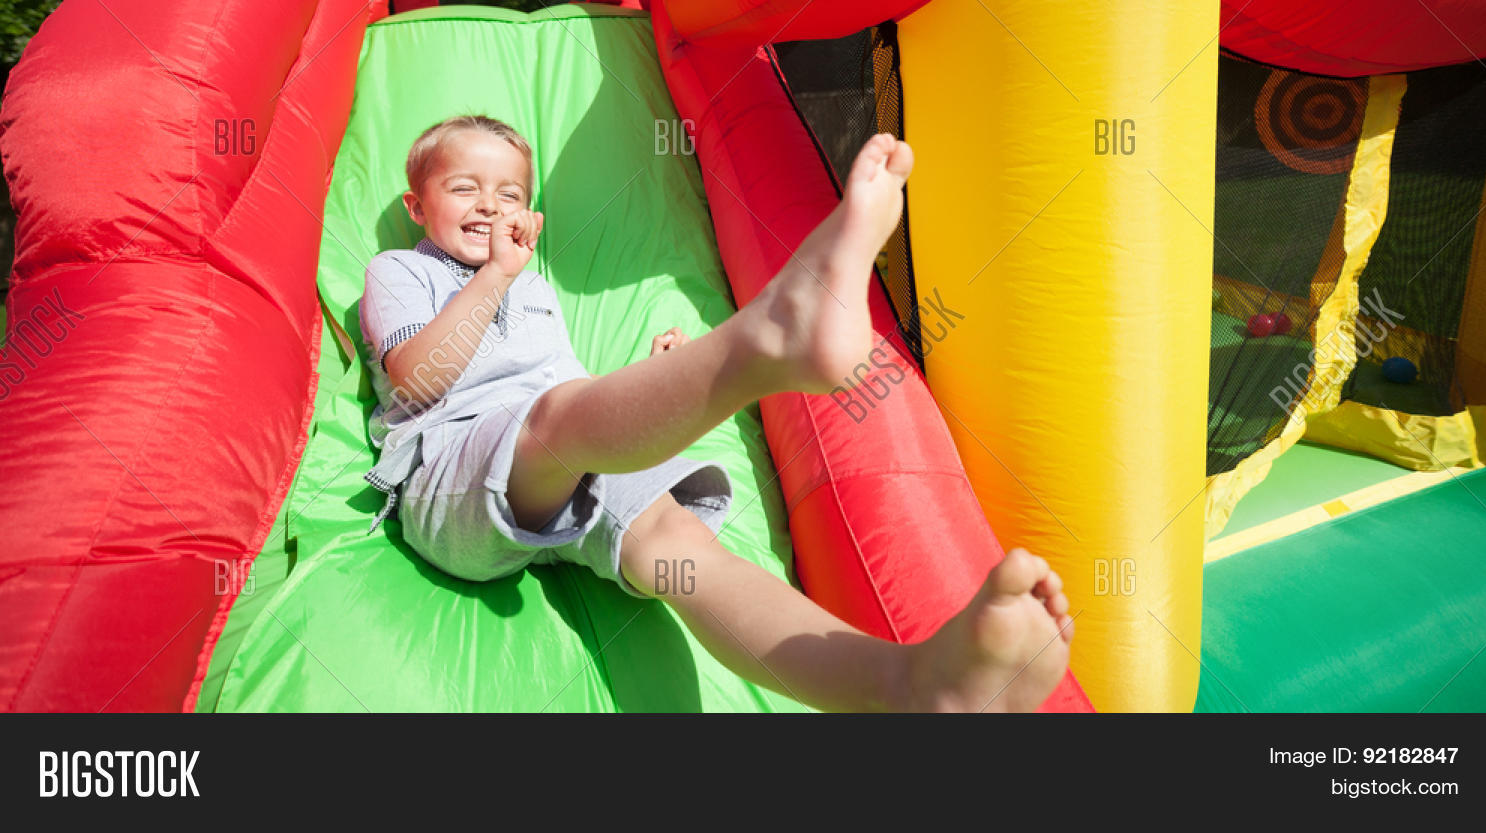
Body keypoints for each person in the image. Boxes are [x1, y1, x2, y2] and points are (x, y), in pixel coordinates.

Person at [359, 114, 1074, 712]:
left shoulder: (537, 290)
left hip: (555, 455)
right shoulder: (401, 270)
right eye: (464, 188)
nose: (489, 206)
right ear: (417, 205)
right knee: (554, 423)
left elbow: (573, 397)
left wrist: (657, 380)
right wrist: (494, 277)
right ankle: (760, 344)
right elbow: (421, 379)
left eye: (509, 193)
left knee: (682, 552)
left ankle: (911, 685)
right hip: (450, 478)